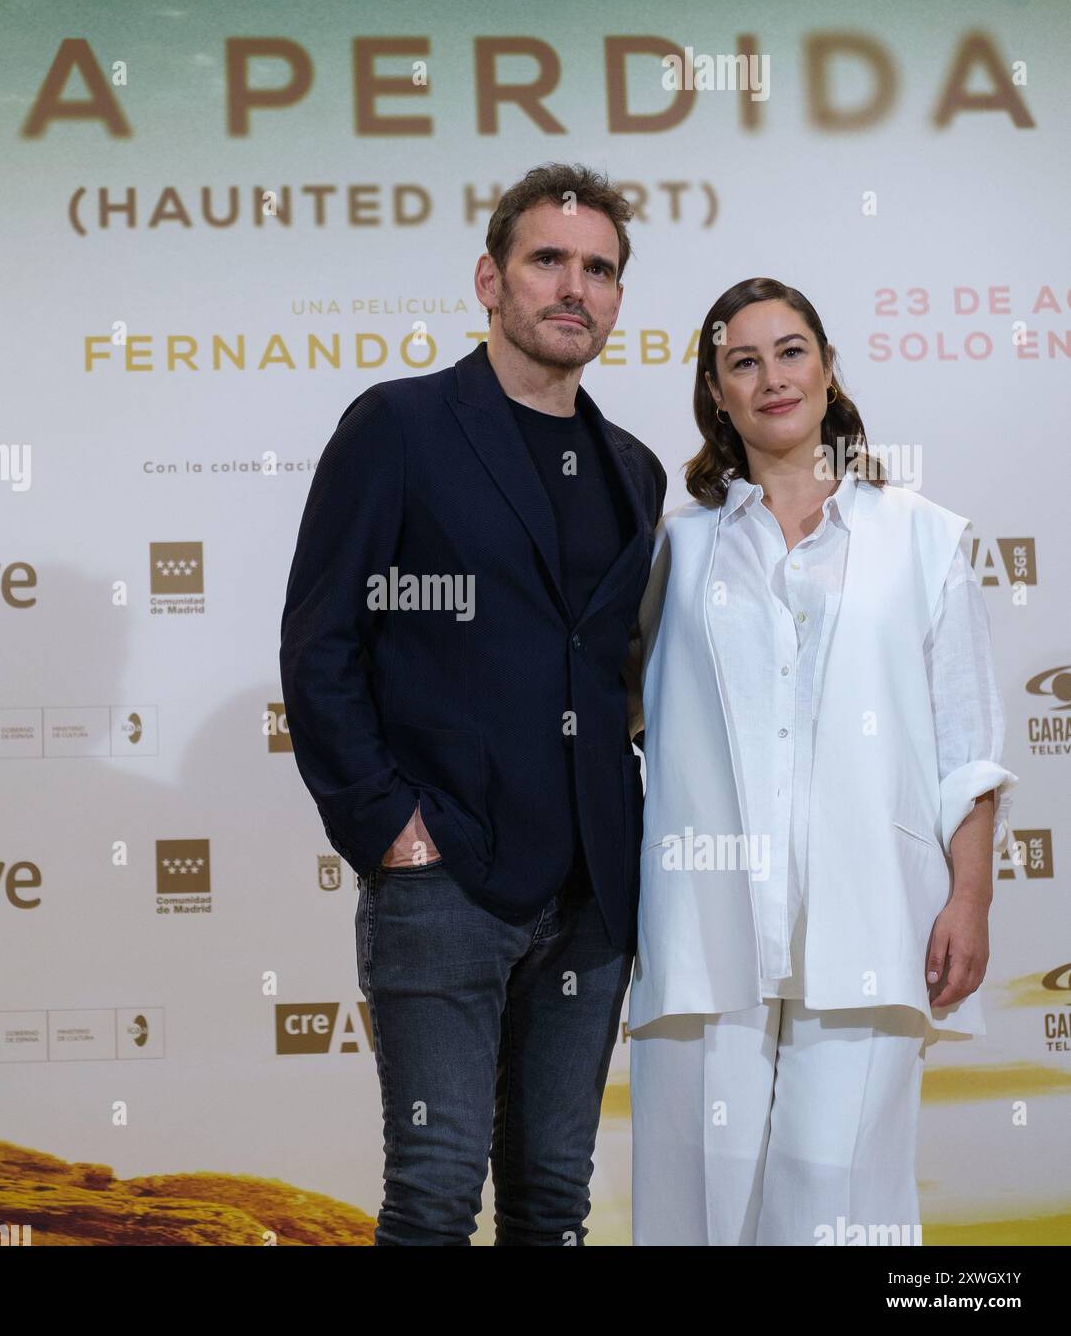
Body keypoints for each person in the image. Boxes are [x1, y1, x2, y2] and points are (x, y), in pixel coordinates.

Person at [279, 163, 665, 1244]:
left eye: (599, 268)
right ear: (489, 280)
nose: (572, 287)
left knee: (553, 1198)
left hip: (594, 889)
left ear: (618, 298)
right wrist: (389, 827)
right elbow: (320, 643)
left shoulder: (633, 469)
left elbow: (611, 670)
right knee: (435, 1192)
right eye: (548, 260)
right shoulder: (398, 426)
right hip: (442, 876)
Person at [626, 276, 1017, 1246]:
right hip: (703, 935)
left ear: (829, 368)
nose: (770, 377)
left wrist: (968, 900)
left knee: (837, 1212)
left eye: (790, 350)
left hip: (872, 921)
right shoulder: (677, 549)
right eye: (741, 360)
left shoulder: (921, 541)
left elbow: (967, 747)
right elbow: (619, 716)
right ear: (715, 392)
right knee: (692, 1216)